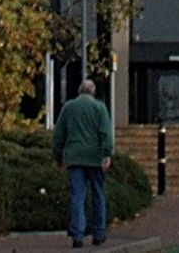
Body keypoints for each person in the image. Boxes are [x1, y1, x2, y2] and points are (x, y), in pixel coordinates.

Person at [53, 73, 115, 248]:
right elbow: (105, 133)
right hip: (95, 158)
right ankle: (98, 233)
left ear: (79, 91)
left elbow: (59, 134)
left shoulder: (68, 107)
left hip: (74, 158)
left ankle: (77, 235)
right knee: (98, 195)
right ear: (93, 92)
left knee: (77, 196)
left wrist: (58, 156)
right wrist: (106, 154)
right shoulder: (100, 108)